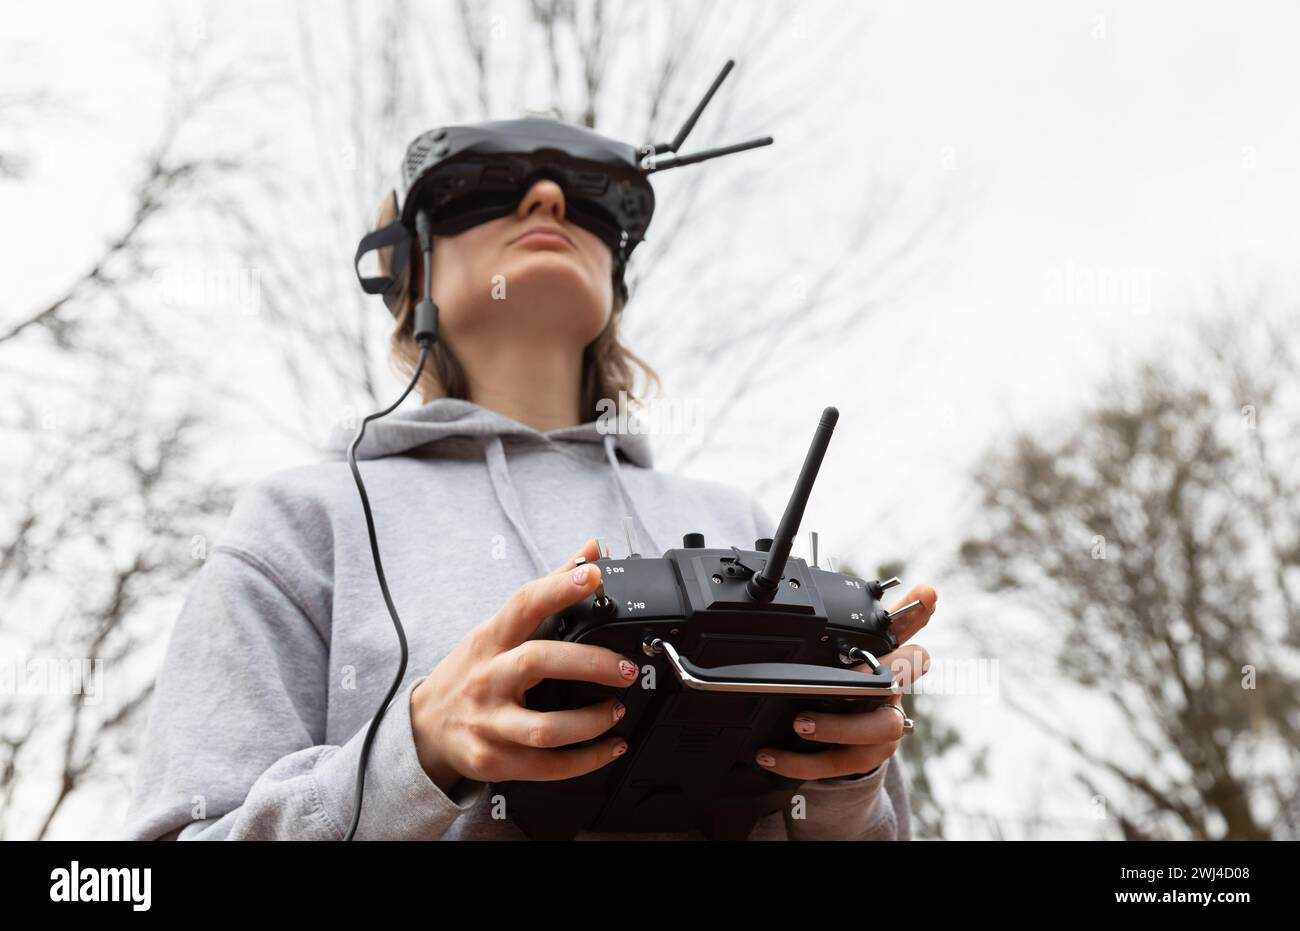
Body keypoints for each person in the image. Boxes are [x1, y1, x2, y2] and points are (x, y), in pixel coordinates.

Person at [123, 171, 937, 840]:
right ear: (409, 269)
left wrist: (842, 782)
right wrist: (416, 753)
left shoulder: (747, 526)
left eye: (590, 195)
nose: (549, 196)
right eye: (488, 180)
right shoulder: (307, 519)